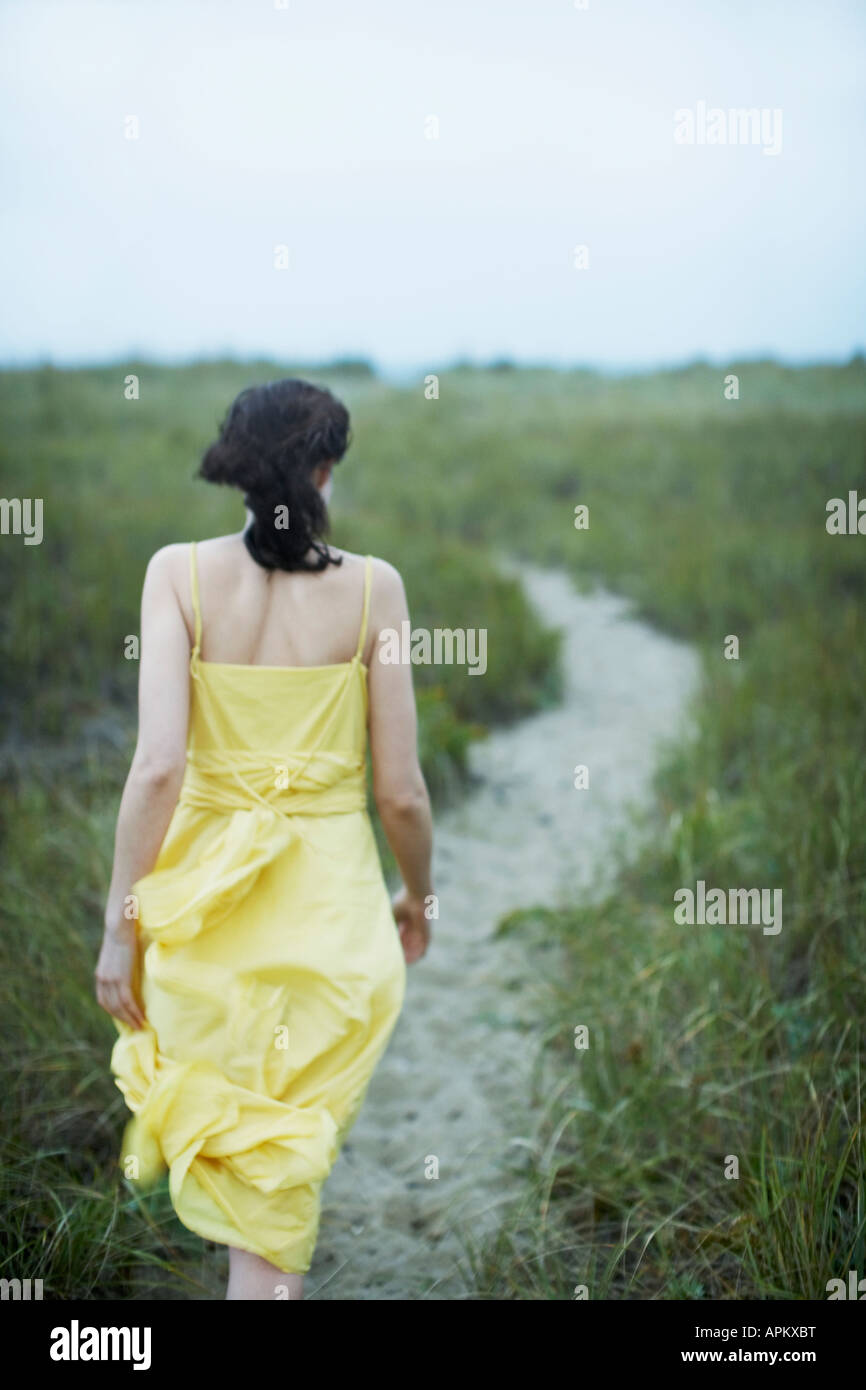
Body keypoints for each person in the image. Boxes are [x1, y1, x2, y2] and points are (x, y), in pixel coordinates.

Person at [95, 377, 434, 1300]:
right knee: (276, 1187)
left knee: (246, 1162)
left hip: (203, 908)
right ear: (325, 472)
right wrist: (418, 895)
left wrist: (122, 927)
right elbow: (400, 793)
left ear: (242, 471)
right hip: (330, 919)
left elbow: (159, 766)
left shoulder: (176, 574)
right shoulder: (376, 592)